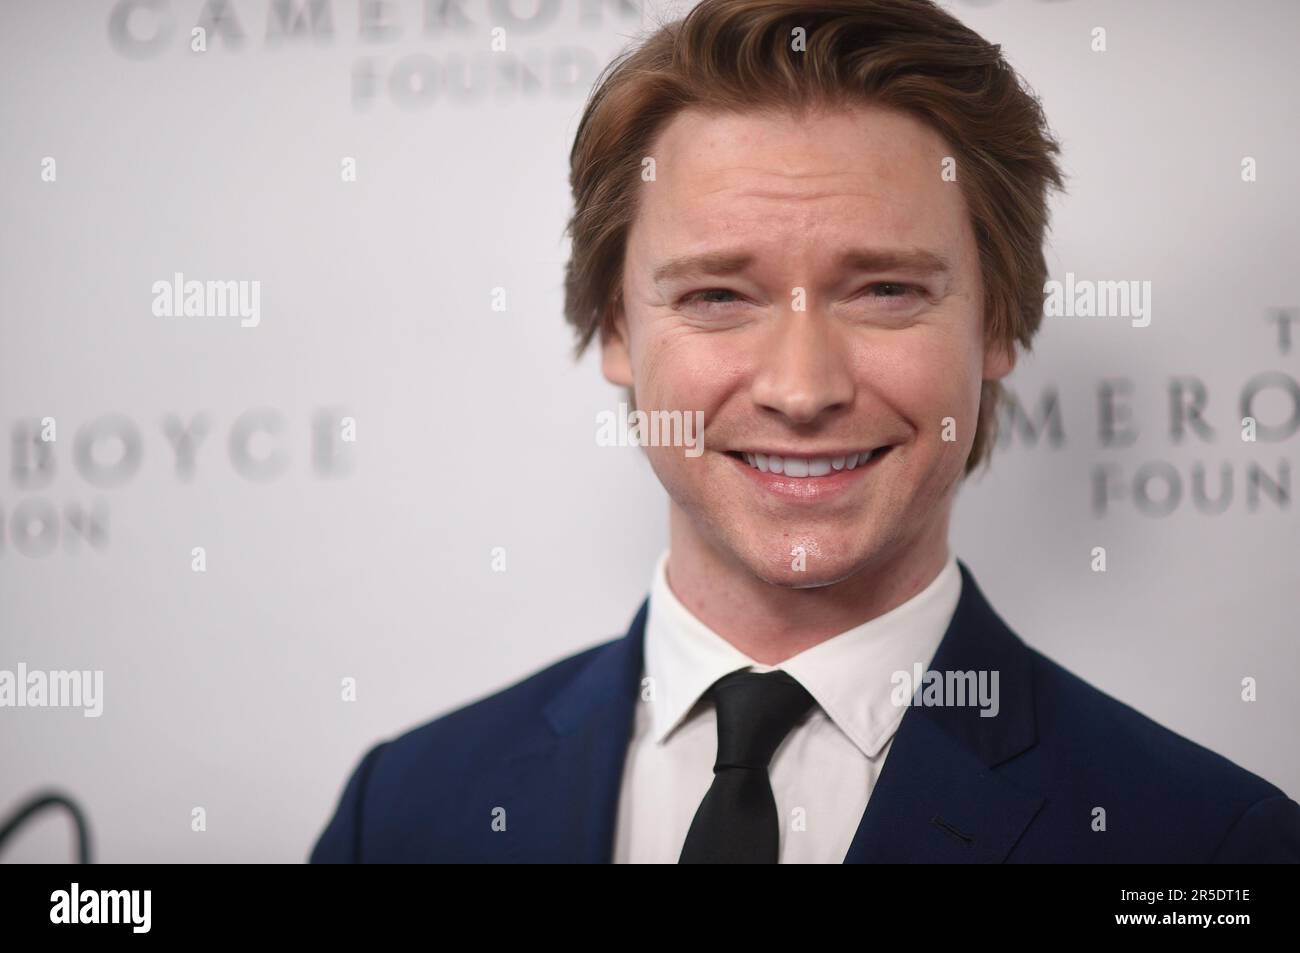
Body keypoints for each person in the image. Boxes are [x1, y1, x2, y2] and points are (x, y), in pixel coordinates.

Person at [310, 0, 1300, 863]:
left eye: (883, 291)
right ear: (616, 328)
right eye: (717, 294)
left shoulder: (1204, 839)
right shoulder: (403, 810)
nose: (800, 386)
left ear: (996, 323)